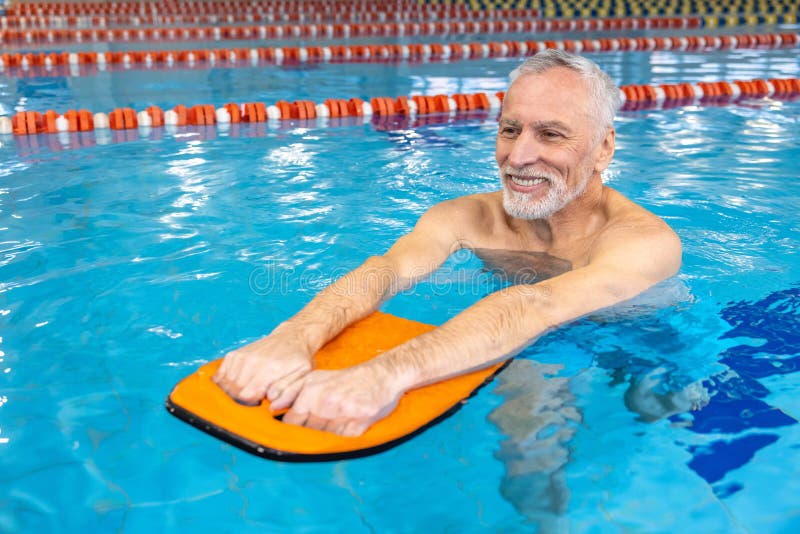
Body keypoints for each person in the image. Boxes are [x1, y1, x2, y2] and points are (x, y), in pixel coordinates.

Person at [212, 49, 682, 437]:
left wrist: (382, 373)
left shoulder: (644, 241)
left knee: (658, 416)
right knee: (523, 416)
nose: (518, 156)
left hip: (647, 341)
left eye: (551, 134)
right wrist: (292, 337)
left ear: (603, 148)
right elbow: (387, 271)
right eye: (510, 129)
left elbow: (536, 303)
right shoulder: (465, 217)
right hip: (533, 337)